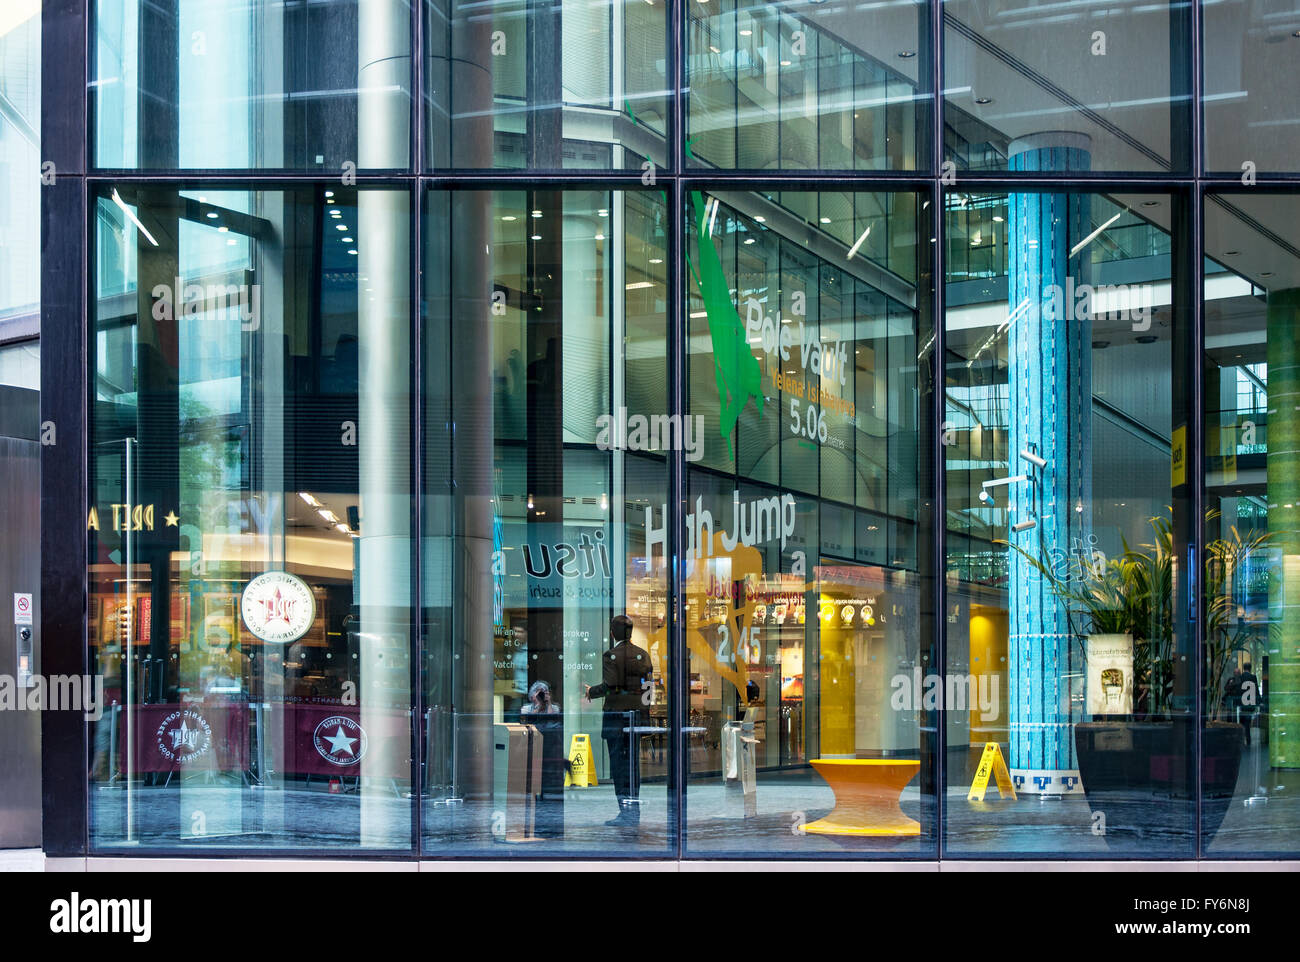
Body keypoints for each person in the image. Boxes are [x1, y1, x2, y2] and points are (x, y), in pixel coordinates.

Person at [584, 615, 652, 828]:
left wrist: (591, 692)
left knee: (618, 768)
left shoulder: (611, 655)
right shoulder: (643, 655)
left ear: (613, 633)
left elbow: (610, 685)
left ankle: (625, 812)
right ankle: (634, 812)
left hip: (616, 721)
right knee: (633, 768)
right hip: (636, 720)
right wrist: (644, 715)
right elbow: (648, 689)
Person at [1239, 662, 1259, 747]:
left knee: (1242, 721)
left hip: (1242, 703)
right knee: (1247, 721)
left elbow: (1238, 690)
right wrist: (1258, 702)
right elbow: (1256, 690)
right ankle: (1248, 739)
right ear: (1250, 668)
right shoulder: (1253, 677)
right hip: (1250, 703)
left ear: (1243, 668)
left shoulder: (1241, 677)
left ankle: (1242, 739)